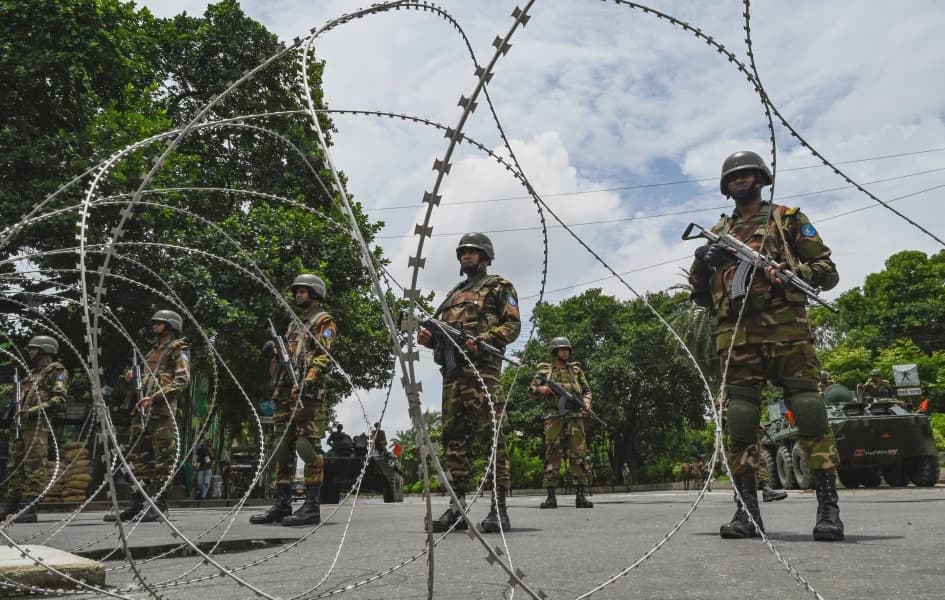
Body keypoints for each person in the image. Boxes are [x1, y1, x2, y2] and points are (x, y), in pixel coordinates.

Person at [688, 150, 844, 541]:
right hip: (737, 340)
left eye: (747, 175)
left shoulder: (787, 219)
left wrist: (791, 273)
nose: (740, 181)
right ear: (726, 188)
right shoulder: (719, 231)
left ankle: (828, 510)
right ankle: (747, 514)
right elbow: (702, 297)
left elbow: (827, 272)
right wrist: (706, 260)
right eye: (733, 177)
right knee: (740, 423)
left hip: (788, 332)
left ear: (761, 178)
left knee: (809, 413)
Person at [418, 232, 520, 533]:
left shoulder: (499, 287)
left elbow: (512, 325)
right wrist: (430, 339)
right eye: (463, 252)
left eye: (473, 252)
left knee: (492, 438)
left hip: (483, 373)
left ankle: (498, 509)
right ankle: (456, 508)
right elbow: (443, 336)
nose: (467, 256)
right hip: (453, 376)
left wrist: (485, 339)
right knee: (453, 441)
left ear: (486, 257)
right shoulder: (452, 296)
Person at [250, 274, 335, 527]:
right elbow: (286, 359)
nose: (298, 295)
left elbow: (323, 355)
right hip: (286, 392)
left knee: (307, 446)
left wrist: (309, 379)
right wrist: (275, 351)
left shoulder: (324, 321)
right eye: (296, 291)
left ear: (315, 293)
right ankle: (282, 504)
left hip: (308, 393)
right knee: (282, 448)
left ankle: (311, 506)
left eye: (303, 291)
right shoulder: (292, 326)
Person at [105, 310, 190, 523]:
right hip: (141, 411)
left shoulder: (177, 349)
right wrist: (132, 378)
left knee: (162, 460)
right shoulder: (151, 352)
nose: (154, 326)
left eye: (159, 323)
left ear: (170, 325)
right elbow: (144, 381)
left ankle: (158, 505)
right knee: (139, 460)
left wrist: (155, 397)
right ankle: (137, 504)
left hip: (161, 413)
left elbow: (182, 380)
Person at [2, 336, 69, 523]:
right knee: (14, 464)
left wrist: (32, 410)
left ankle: (30, 506)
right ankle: (11, 504)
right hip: (21, 424)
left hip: (37, 424)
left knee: (34, 465)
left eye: (34, 348)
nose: (30, 352)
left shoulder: (57, 371)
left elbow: (59, 399)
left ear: (44, 350)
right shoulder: (32, 374)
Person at [530, 337, 594, 509]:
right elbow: (532, 389)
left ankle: (581, 496)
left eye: (567, 349)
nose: (566, 351)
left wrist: (587, 402)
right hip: (553, 417)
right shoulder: (544, 371)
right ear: (555, 351)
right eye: (562, 349)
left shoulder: (576, 370)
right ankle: (551, 497)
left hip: (575, 416)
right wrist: (542, 389)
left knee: (578, 454)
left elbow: (587, 390)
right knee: (552, 454)